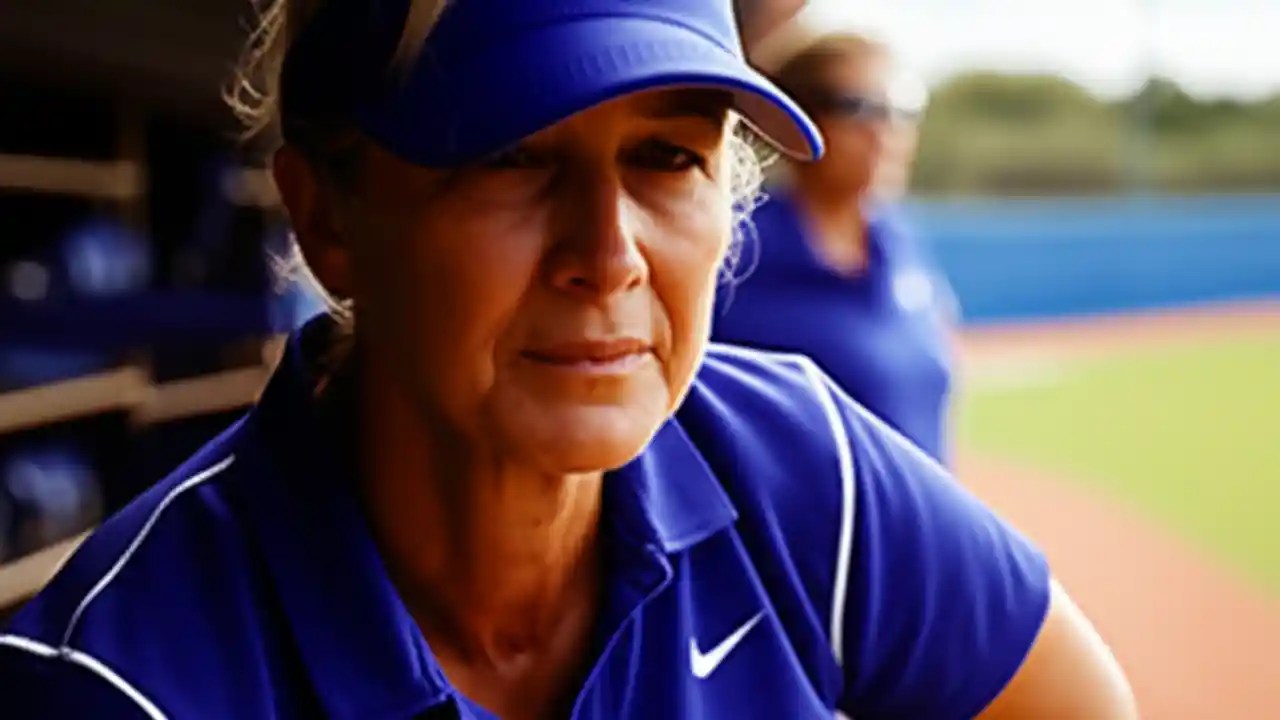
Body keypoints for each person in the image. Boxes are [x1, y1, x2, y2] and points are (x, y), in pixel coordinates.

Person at [0, 1, 1136, 718]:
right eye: (509, 157)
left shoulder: (805, 473)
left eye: (664, 158)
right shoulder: (120, 678)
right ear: (328, 219)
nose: (607, 255)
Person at [712, 34, 957, 463]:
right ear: (800, 120)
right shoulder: (736, 246)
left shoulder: (897, 240)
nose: (886, 133)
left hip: (911, 525)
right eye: (857, 107)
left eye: (904, 111)